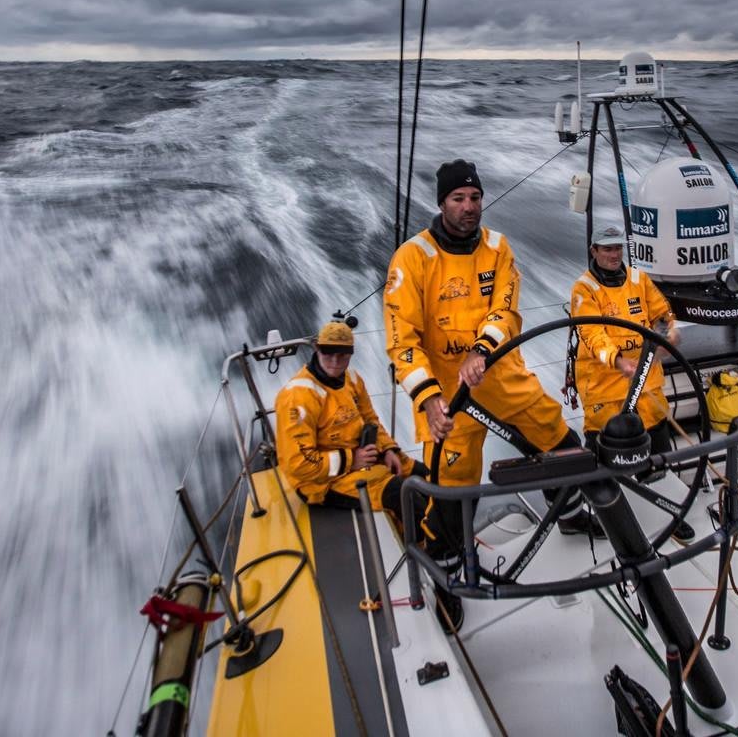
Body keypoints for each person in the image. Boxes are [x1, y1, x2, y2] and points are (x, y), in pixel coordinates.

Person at [384, 159, 600, 536]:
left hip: (503, 378)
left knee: (566, 446)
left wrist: (481, 350)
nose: (468, 206)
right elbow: (402, 340)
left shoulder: (498, 248)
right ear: (441, 203)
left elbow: (506, 311)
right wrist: (429, 399)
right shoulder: (412, 257)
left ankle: (569, 517)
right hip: (448, 396)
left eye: (475, 197)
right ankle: (447, 567)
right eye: (458, 198)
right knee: (455, 493)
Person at [274, 317, 463, 630]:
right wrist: (352, 459)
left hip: (365, 458)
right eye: (328, 353)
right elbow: (298, 465)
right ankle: (444, 583)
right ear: (316, 351)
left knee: (435, 477)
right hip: (325, 482)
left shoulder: (352, 380)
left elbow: (369, 419)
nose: (335, 361)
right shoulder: (298, 397)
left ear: (350, 355)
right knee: (414, 497)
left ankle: (447, 544)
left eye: (342, 354)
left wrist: (388, 450)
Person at [571, 225, 681, 453]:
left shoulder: (639, 279)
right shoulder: (584, 289)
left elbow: (662, 314)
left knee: (660, 452)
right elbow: (593, 335)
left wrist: (669, 333)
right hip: (605, 388)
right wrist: (618, 361)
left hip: (646, 381)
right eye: (607, 249)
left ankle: (657, 479)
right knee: (602, 453)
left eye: (618, 248)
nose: (614, 255)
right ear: (594, 251)